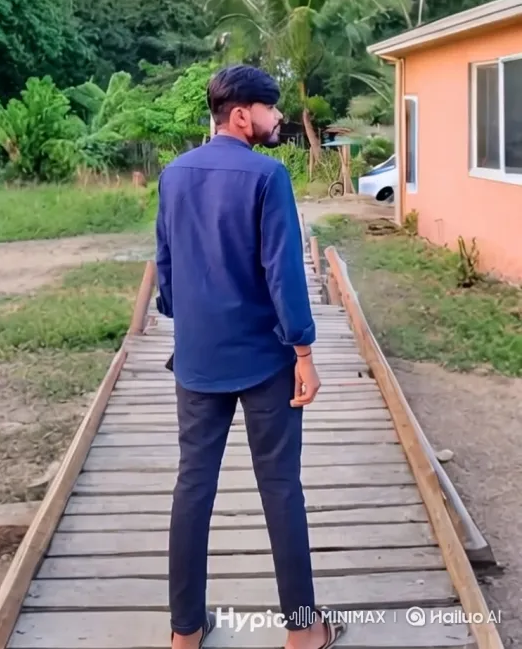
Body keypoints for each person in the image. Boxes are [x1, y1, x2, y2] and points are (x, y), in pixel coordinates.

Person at [155, 65, 346, 649]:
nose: (278, 117)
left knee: (193, 487)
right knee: (281, 486)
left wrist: (189, 323)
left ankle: (185, 631)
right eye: (270, 109)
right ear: (242, 115)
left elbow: (166, 263)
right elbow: (284, 274)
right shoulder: (268, 176)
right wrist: (304, 351)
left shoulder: (172, 174)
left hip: (197, 360)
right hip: (266, 360)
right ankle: (302, 632)